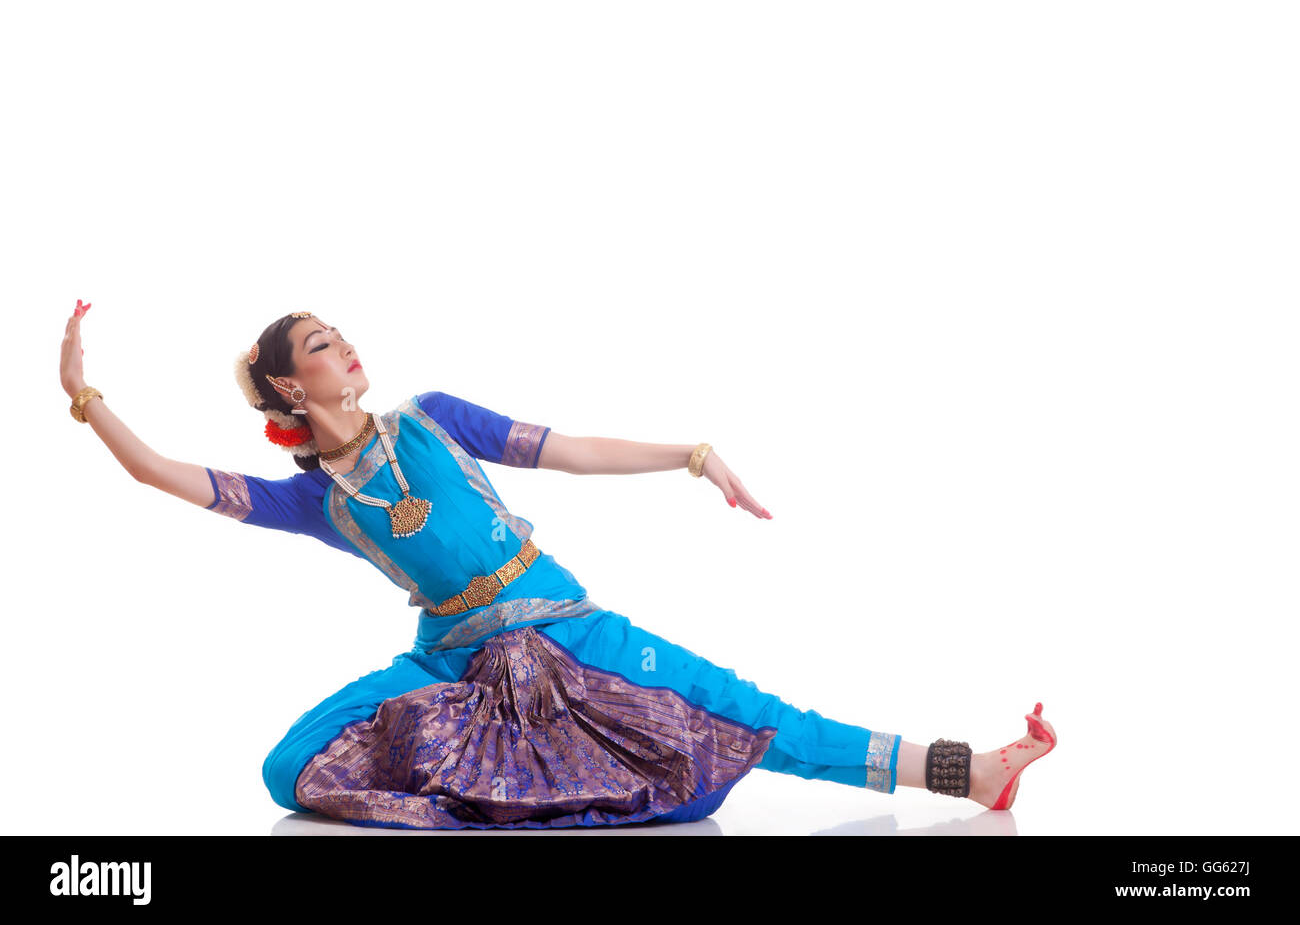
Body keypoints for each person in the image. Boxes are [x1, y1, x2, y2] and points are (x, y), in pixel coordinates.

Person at [59, 301, 1057, 830]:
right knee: (291, 764)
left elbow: (569, 447)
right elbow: (158, 472)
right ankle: (476, 800)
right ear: (289, 380)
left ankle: (972, 769)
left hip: (570, 631)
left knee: (749, 714)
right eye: (324, 344)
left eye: (346, 336)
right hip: (454, 666)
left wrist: (691, 453)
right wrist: (85, 395)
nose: (350, 351)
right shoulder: (318, 499)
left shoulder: (436, 421)